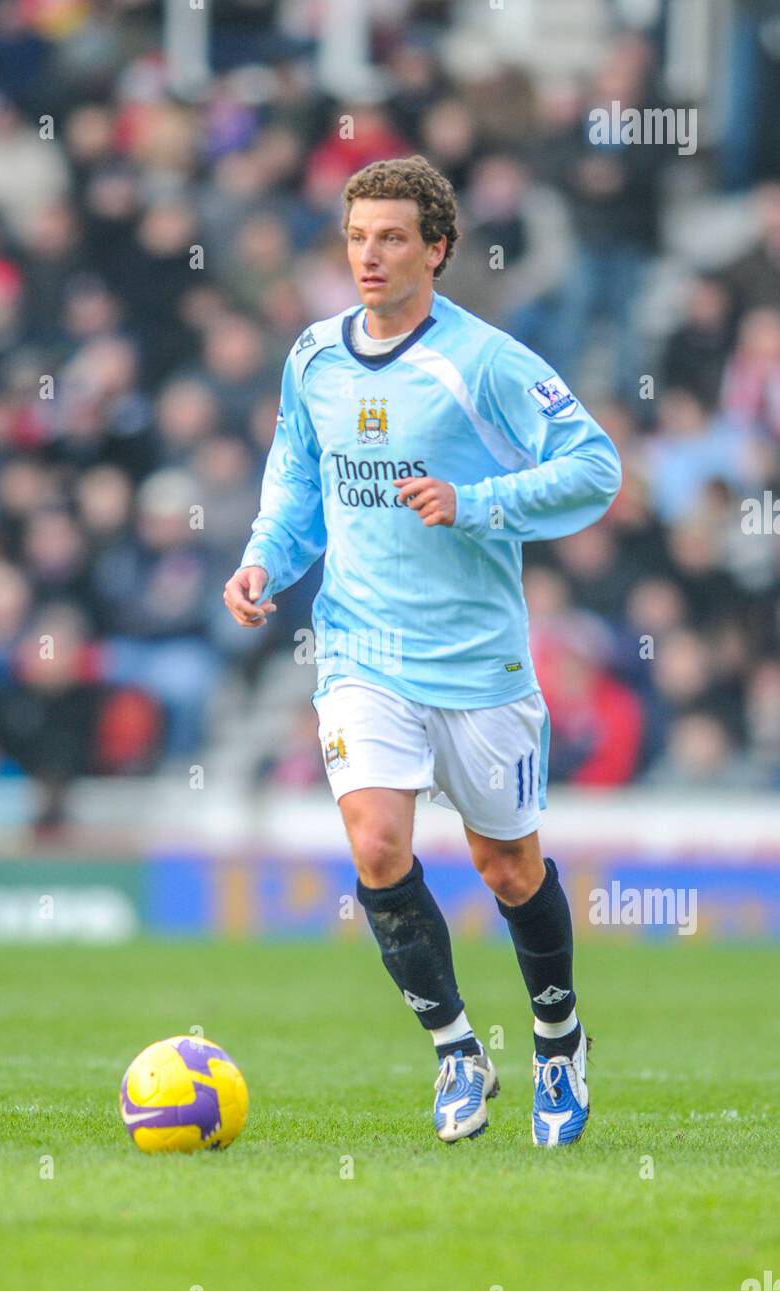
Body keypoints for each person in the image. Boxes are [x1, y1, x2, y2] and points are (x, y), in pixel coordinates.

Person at [224, 155, 621, 1147]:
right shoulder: (313, 356)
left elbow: (595, 468)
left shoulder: (484, 362)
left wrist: (476, 502)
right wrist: (262, 561)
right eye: (357, 237)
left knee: (506, 865)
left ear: (436, 248)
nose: (370, 254)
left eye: (392, 237)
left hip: (478, 661)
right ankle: (452, 1048)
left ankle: (557, 1038)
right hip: (360, 648)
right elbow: (296, 482)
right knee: (376, 845)